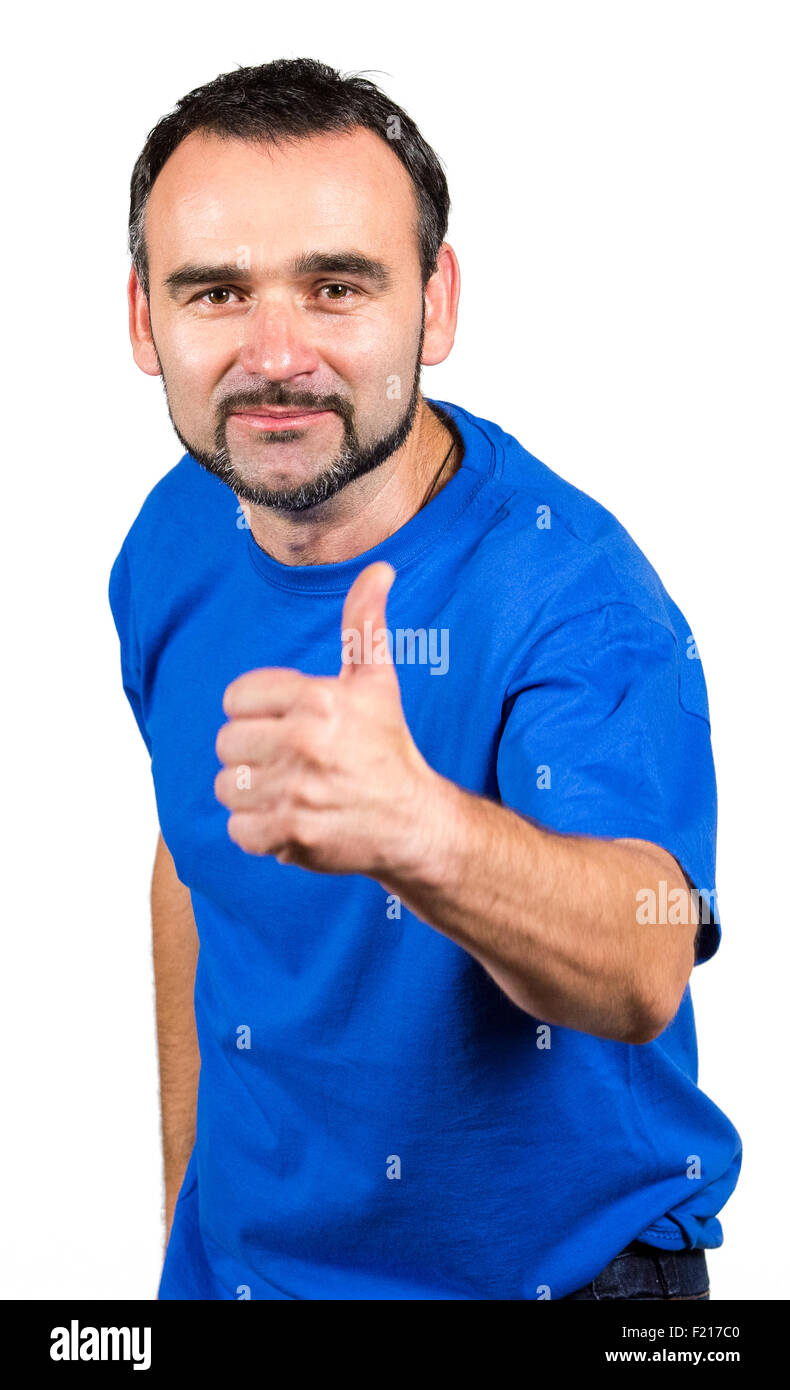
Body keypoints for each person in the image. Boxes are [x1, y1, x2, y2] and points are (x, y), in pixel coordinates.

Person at [109, 57, 742, 1301]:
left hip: (555, 1284)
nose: (274, 354)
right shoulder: (171, 540)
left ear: (433, 306)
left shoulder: (574, 593)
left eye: (336, 286)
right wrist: (190, 1210)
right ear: (144, 320)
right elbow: (194, 863)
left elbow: (647, 953)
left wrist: (422, 831)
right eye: (216, 292)